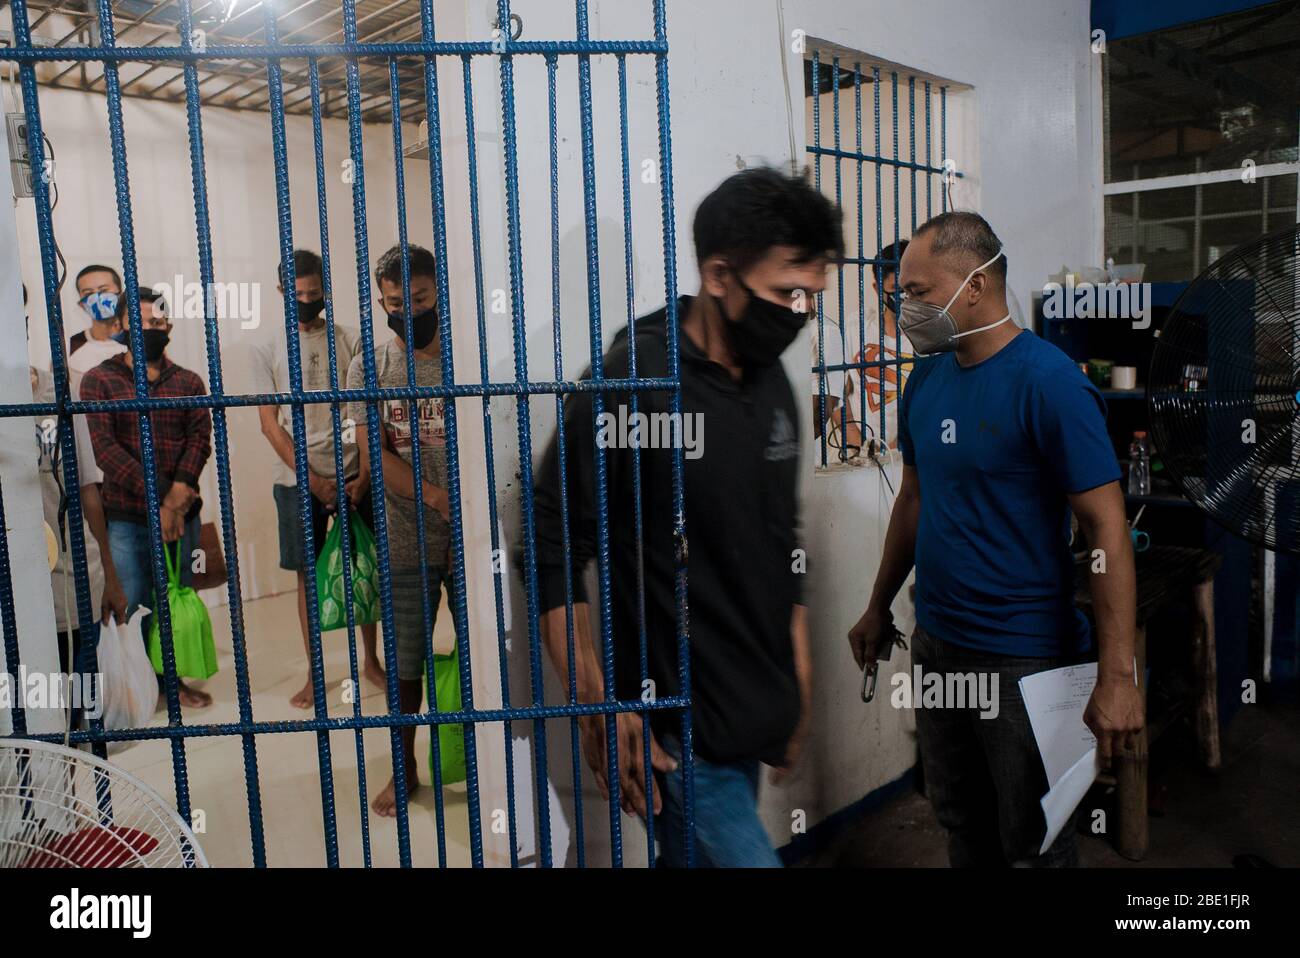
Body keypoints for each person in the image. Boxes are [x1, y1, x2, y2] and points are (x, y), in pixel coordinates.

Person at [530, 167, 843, 867]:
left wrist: (797, 681)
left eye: (812, 296)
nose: (800, 312)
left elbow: (779, 540)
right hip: (678, 733)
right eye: (785, 292)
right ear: (719, 274)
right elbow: (549, 536)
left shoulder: (771, 384)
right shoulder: (634, 383)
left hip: (750, 723)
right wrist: (597, 702)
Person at [846, 211, 1143, 867]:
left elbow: (1107, 530)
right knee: (962, 824)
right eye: (899, 293)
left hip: (1026, 658)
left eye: (918, 292)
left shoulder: (1051, 383)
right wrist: (877, 604)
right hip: (939, 643)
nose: (904, 307)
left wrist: (1118, 676)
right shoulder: (926, 378)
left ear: (974, 285)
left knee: (1033, 841)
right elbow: (915, 499)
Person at [345, 244, 452, 818]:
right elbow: (374, 457)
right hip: (406, 533)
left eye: (419, 299)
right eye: (394, 303)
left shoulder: (470, 357)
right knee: (405, 661)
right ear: (380, 302)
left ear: (439, 293)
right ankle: (404, 765)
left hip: (471, 543)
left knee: (492, 652)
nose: (407, 311)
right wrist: (439, 499)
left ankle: (489, 755)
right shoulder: (370, 367)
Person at [252, 249, 383, 708]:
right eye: (298, 295)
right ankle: (316, 673)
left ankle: (371, 660)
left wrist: (365, 471)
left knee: (365, 565)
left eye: (314, 294)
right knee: (309, 576)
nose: (306, 303)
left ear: (325, 289)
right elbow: (270, 425)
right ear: (283, 292)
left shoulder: (352, 338)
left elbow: (368, 407)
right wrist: (313, 481)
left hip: (354, 471)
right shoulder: (267, 348)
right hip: (295, 481)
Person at [81, 288, 214, 710]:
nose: (150, 331)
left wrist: (177, 501)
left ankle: (171, 681)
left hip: (182, 514)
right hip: (128, 516)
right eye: (140, 324)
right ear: (121, 328)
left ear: (169, 326)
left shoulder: (189, 381)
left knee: (173, 597)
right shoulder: (98, 381)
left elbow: (199, 440)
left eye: (157, 323)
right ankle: (139, 687)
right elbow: (106, 452)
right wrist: (164, 500)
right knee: (131, 602)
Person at [67, 264, 126, 399]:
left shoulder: (139, 341)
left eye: (104, 290)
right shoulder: (70, 345)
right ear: (81, 304)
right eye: (88, 293)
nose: (97, 297)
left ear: (120, 294)